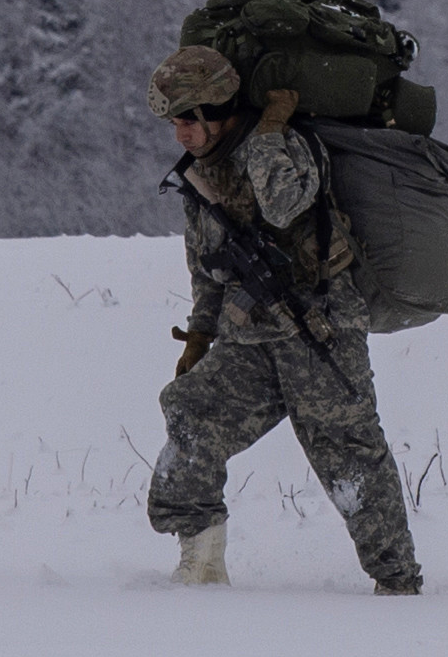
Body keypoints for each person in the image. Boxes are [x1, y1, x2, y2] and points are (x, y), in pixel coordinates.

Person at [141, 43, 422, 594]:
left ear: (215, 112)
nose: (180, 134)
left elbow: (286, 207)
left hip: (319, 328)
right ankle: (201, 564)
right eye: (174, 123)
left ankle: (397, 583)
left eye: (187, 121)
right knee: (192, 416)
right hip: (251, 335)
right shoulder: (201, 175)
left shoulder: (288, 145)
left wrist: (269, 134)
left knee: (348, 453)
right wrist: (200, 335)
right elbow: (207, 266)